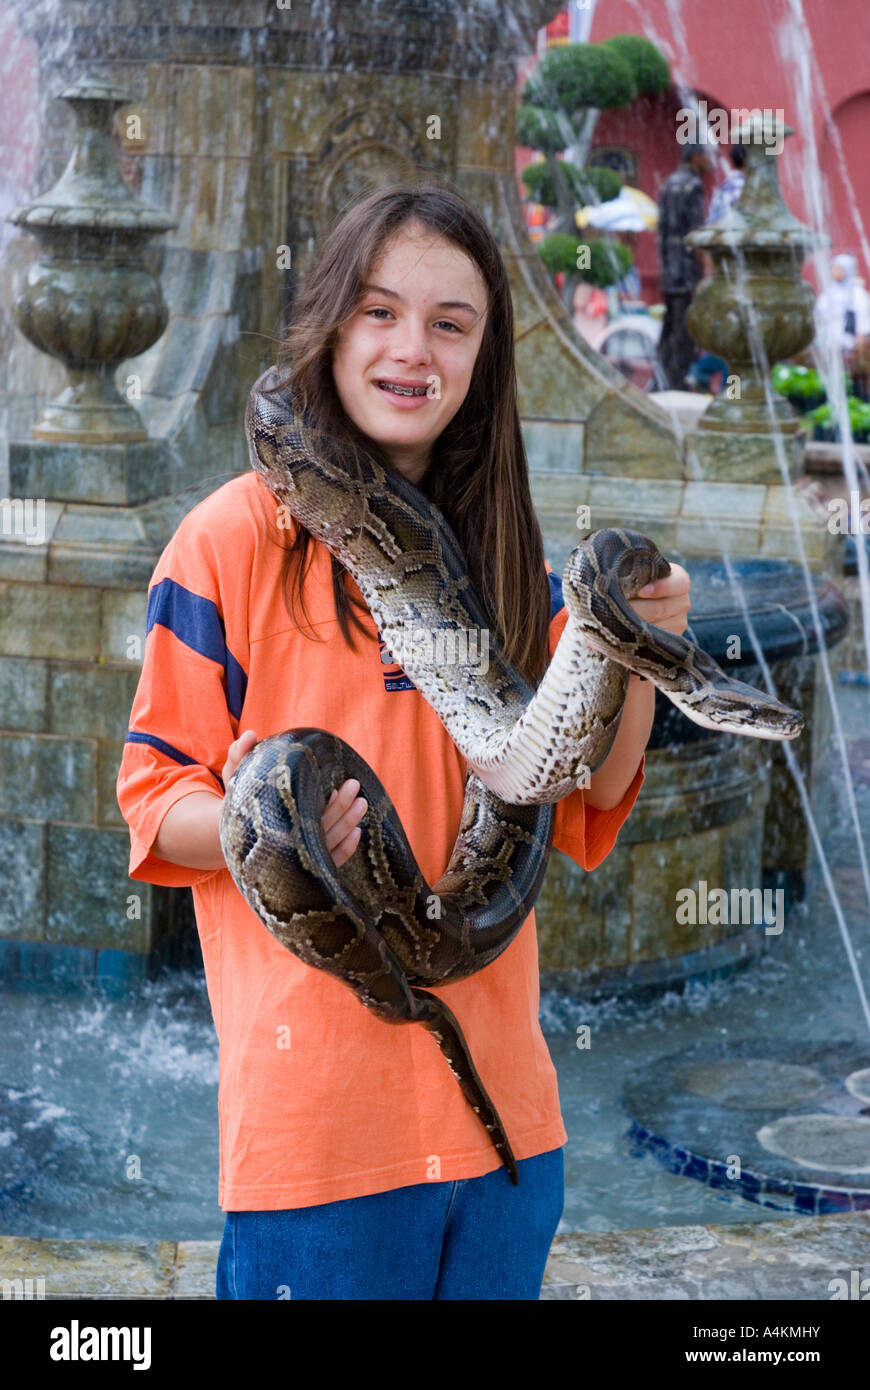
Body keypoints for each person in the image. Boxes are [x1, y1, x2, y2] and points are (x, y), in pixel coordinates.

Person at [116, 183, 691, 1302]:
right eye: (378, 313)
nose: (409, 348)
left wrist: (639, 652)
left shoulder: (514, 559)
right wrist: (257, 812)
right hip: (316, 1149)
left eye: (450, 322)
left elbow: (580, 802)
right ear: (331, 324)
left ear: (484, 354)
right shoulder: (234, 539)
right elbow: (152, 804)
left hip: (507, 1142)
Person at [656, 142, 710, 389]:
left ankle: (660, 381)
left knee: (669, 329)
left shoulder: (668, 184)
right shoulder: (693, 185)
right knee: (685, 331)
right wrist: (705, 271)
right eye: (706, 154)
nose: (709, 160)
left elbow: (662, 229)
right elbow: (695, 233)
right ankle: (674, 384)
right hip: (686, 271)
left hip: (669, 269)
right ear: (696, 156)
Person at [814, 252, 870, 361]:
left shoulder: (856, 291)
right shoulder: (829, 290)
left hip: (847, 338)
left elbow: (862, 314)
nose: (834, 272)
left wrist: (860, 335)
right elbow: (819, 310)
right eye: (833, 268)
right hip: (828, 335)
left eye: (839, 269)